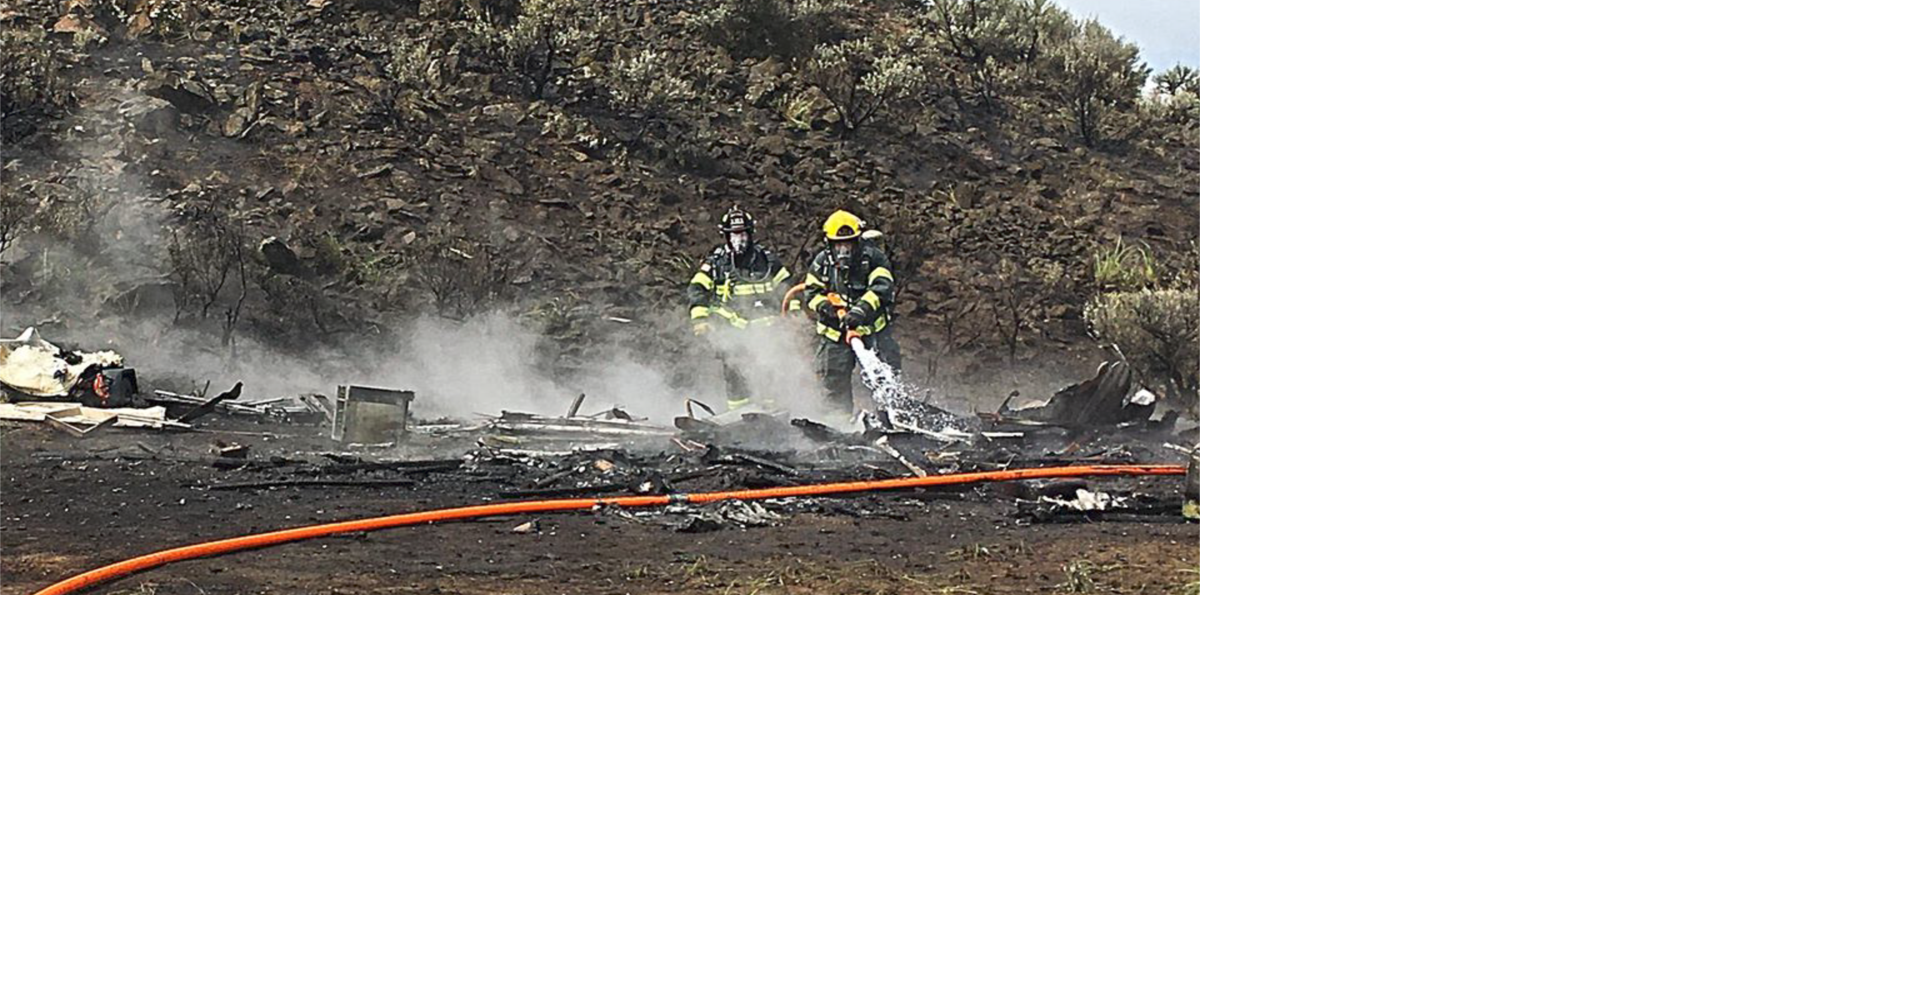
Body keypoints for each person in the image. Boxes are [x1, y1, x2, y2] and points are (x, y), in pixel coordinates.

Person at [685, 205, 791, 410]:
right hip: (730, 333)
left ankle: (772, 415)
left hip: (765, 333)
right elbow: (697, 289)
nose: (738, 239)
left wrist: (793, 316)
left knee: (768, 374)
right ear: (726, 236)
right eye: (733, 234)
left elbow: (788, 290)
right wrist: (700, 319)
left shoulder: (767, 261)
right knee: (735, 377)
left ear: (750, 234)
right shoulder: (717, 263)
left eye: (742, 233)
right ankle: (740, 416)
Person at [801, 209, 902, 413]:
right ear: (829, 244)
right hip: (835, 337)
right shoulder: (822, 262)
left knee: (885, 383)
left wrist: (860, 311)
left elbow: (882, 288)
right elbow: (811, 292)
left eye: (848, 244)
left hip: (874, 334)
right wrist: (825, 306)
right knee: (833, 387)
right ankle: (840, 430)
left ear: (857, 241)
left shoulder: (874, 258)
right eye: (838, 245)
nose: (843, 250)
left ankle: (890, 422)